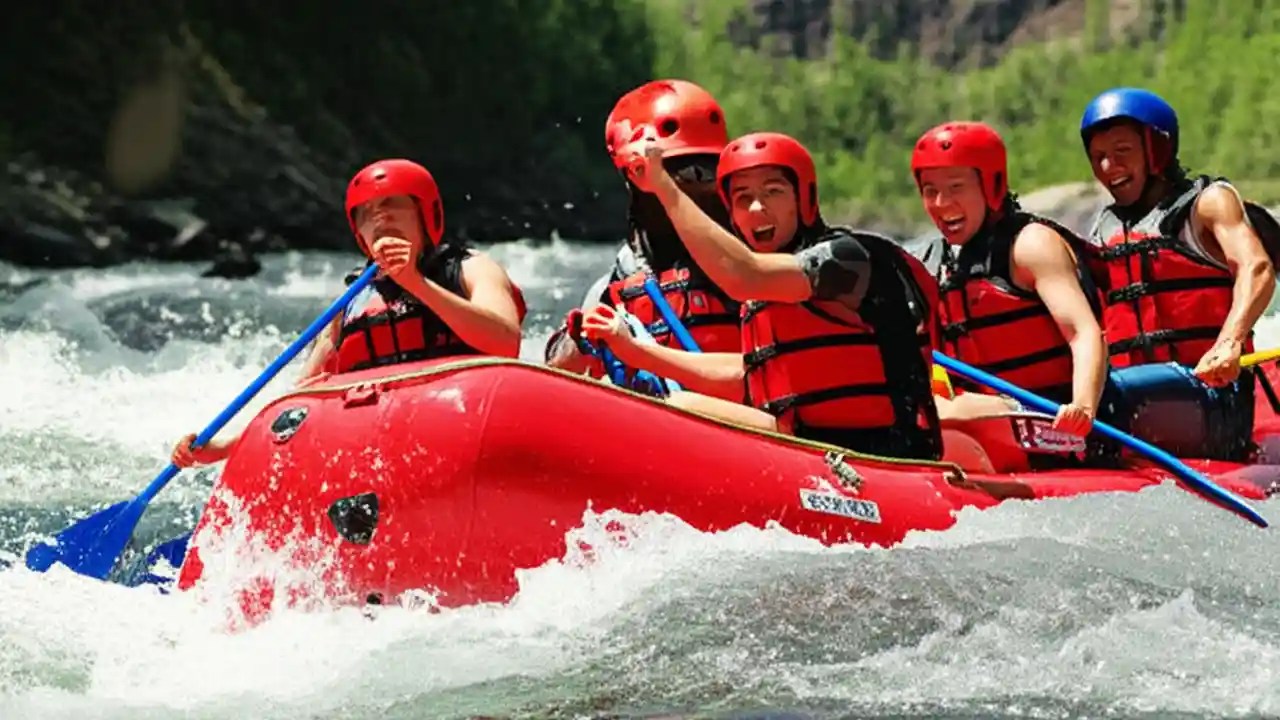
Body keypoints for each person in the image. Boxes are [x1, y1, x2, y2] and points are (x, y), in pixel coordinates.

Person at [585, 131, 944, 460]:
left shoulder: (846, 260)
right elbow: (749, 375)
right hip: (806, 446)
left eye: (773, 192)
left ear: (804, 199)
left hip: (889, 459)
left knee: (674, 409)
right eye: (744, 198)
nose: (757, 209)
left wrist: (663, 186)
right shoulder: (763, 290)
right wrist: (637, 352)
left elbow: (744, 275)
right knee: (663, 405)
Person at [171, 158, 526, 467]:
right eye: (367, 213)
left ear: (425, 215)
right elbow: (303, 400)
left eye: (392, 204)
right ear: (360, 233)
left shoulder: (472, 268)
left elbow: (505, 343)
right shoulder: (351, 303)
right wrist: (225, 447)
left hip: (463, 421)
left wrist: (416, 283)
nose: (380, 216)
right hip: (375, 440)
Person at [1080, 87, 1279, 460]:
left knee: (1105, 399)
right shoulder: (1101, 230)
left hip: (1214, 396)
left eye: (1122, 152)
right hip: (1132, 398)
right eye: (1098, 157)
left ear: (1156, 149)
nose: (1109, 168)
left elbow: (1257, 268)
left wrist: (1229, 342)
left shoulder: (1207, 204)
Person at [910, 121, 1110, 459]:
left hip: (1056, 422)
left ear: (992, 186)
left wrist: (1083, 407)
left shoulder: (1030, 246)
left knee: (947, 414)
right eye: (930, 191)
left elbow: (1084, 332)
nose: (942, 203)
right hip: (986, 425)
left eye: (956, 187)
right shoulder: (931, 264)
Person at [544, 79, 742, 381]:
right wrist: (579, 340)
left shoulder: (761, 259)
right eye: (674, 173)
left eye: (706, 170)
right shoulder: (618, 283)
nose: (693, 187)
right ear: (636, 182)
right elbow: (560, 376)